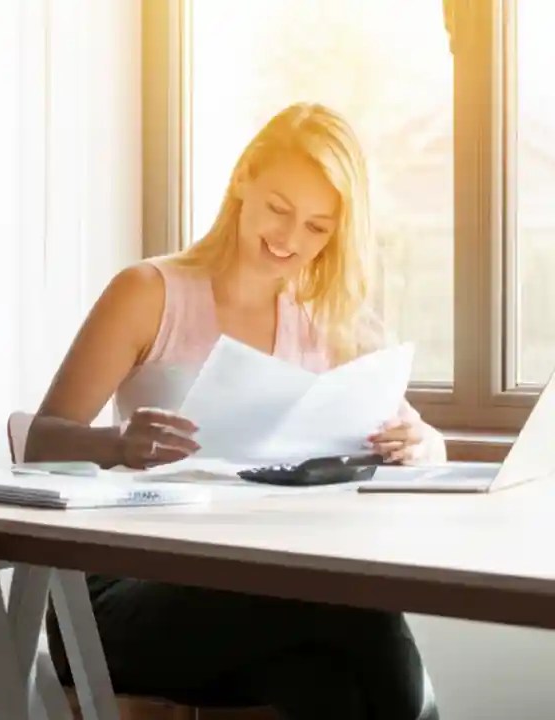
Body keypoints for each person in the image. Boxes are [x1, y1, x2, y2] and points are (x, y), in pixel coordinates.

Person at [25, 102, 441, 719]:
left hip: (255, 590)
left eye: (317, 227)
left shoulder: (326, 325)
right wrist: (118, 444)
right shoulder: (148, 293)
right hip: (116, 596)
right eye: (279, 209)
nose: (289, 239)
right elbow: (40, 441)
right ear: (243, 177)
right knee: (352, 602)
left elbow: (425, 442)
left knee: (331, 684)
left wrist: (421, 441)